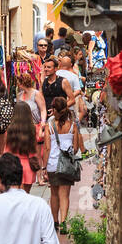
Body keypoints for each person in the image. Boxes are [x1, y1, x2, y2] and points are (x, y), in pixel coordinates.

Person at [46, 96, 79, 232]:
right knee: (64, 195)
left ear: (54, 109)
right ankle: (64, 223)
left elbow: (47, 148)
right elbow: (75, 148)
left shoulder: (49, 126)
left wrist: (44, 166)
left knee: (54, 194)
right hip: (67, 165)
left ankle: (55, 222)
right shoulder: (72, 126)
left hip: (52, 164)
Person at [4, 101, 41, 187]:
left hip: (13, 166)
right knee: (25, 197)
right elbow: (34, 151)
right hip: (28, 165)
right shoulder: (32, 129)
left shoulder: (10, 130)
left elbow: (6, 151)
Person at [57, 53, 87, 124]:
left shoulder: (55, 74)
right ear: (70, 65)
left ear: (60, 64)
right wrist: (69, 97)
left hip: (56, 106)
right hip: (69, 106)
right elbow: (78, 90)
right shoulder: (73, 76)